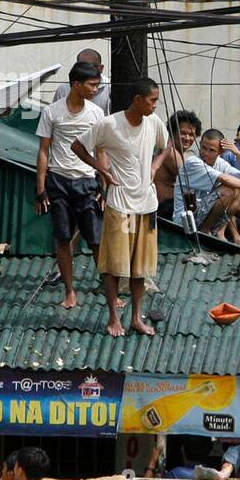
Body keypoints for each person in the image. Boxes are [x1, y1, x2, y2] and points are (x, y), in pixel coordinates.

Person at [70, 78, 168, 337]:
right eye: (152, 100)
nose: (155, 106)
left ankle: (136, 317)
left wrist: (155, 167)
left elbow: (165, 147)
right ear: (137, 99)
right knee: (114, 266)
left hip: (146, 205)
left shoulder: (154, 123)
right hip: (119, 205)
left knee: (140, 269)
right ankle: (114, 318)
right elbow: (77, 146)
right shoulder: (109, 124)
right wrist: (101, 169)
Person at [35, 61, 108, 309]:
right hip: (58, 181)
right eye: (91, 84)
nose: (95, 90)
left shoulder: (97, 114)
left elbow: (101, 152)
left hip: (87, 182)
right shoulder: (52, 112)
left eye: (97, 85)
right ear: (76, 85)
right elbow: (43, 150)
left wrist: (103, 184)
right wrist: (40, 187)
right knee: (63, 238)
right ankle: (70, 292)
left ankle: (110, 292)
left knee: (96, 239)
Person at [172, 129, 240, 242]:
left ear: (220, 152)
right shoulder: (193, 162)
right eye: (203, 148)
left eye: (211, 150)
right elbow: (225, 179)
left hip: (204, 215)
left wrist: (237, 154)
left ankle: (219, 231)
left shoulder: (220, 163)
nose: (205, 153)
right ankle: (205, 231)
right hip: (186, 220)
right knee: (228, 190)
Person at [154, 111, 202, 220]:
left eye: (191, 135)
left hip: (176, 205)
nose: (187, 138)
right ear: (173, 132)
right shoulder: (169, 150)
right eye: (183, 133)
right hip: (164, 208)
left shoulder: (186, 154)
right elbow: (191, 178)